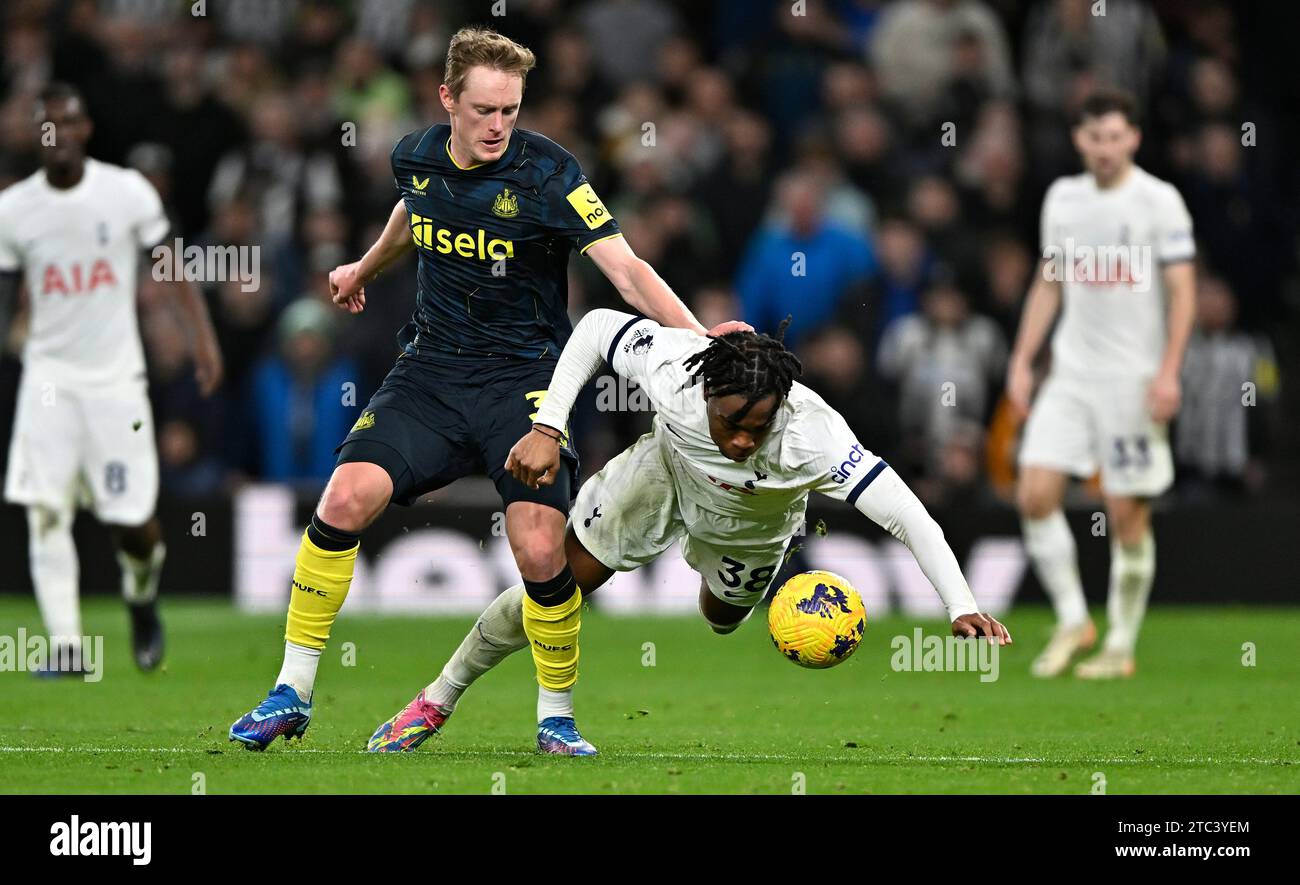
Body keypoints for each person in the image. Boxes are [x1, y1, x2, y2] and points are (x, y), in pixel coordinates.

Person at [228, 28, 745, 752]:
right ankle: (291, 690)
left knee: (539, 551)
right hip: (432, 371)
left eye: (512, 109)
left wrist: (697, 341)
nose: (501, 124)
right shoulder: (413, 155)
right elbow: (416, 212)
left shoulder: (549, 173)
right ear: (448, 100)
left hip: (528, 381)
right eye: (485, 110)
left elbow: (626, 269)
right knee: (342, 498)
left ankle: (556, 717)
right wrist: (364, 268)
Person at [366, 308, 1011, 754]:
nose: (738, 438)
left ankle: (732, 583)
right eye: (728, 422)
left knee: (719, 618)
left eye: (754, 429)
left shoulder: (816, 437)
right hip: (662, 473)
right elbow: (593, 330)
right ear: (706, 391)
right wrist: (548, 426)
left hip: (751, 530)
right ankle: (438, 699)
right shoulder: (678, 368)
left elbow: (907, 515)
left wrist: (961, 605)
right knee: (557, 585)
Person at [0, 83, 224, 675]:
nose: (59, 134)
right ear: (38, 134)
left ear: (85, 129)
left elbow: (171, 264)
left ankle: (142, 599)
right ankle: (69, 648)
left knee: (133, 524)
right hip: (47, 376)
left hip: (116, 381)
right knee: (45, 510)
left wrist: (202, 340)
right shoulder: (14, 209)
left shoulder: (124, 193)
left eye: (68, 122)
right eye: (46, 125)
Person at [1005, 89, 1196, 679]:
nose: (1105, 148)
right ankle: (1072, 620)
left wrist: (1169, 371)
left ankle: (1120, 643)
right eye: (1095, 137)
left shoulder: (1159, 201)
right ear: (1078, 140)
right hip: (1070, 374)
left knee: (1124, 513)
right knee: (1034, 495)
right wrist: (1022, 358)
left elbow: (1183, 291)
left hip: (1132, 383)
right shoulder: (1063, 199)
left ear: (1133, 138)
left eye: (1115, 137)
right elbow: (1050, 281)